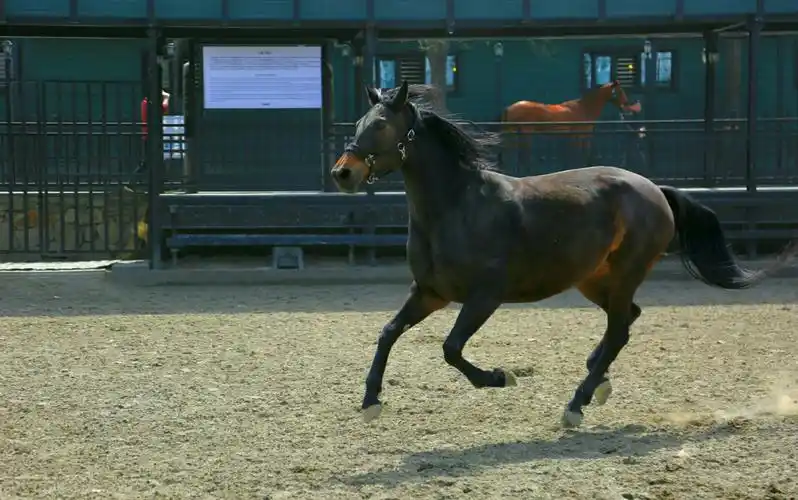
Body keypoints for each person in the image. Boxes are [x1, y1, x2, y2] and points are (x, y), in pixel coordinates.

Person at [126, 89, 170, 193]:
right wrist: (166, 98)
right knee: (148, 162)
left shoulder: (145, 102)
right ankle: (132, 183)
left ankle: (161, 184)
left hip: (150, 135)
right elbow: (163, 109)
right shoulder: (149, 104)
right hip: (151, 136)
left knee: (157, 161)